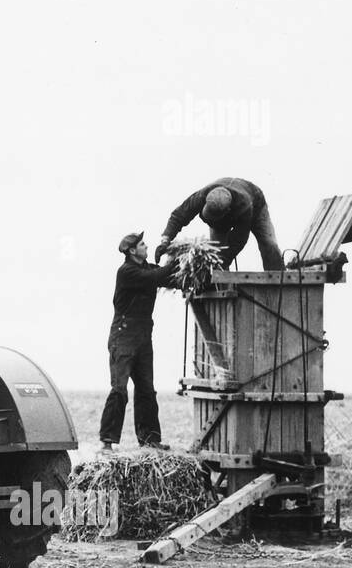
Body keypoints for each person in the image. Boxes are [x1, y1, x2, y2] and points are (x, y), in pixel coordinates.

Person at [98, 234, 176, 453]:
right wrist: (177, 258)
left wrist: (189, 272)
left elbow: (166, 278)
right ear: (132, 251)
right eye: (142, 244)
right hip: (123, 337)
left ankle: (150, 439)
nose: (146, 245)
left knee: (146, 390)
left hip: (143, 337)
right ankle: (107, 440)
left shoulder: (147, 269)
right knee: (119, 389)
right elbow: (157, 276)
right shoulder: (127, 272)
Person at [155, 177, 284, 270]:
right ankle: (220, 284)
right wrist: (165, 240)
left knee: (269, 244)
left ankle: (278, 282)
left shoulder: (244, 207)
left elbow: (239, 241)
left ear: (227, 211)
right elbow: (179, 215)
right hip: (223, 219)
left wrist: (224, 260)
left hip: (256, 204)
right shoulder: (202, 195)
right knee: (216, 254)